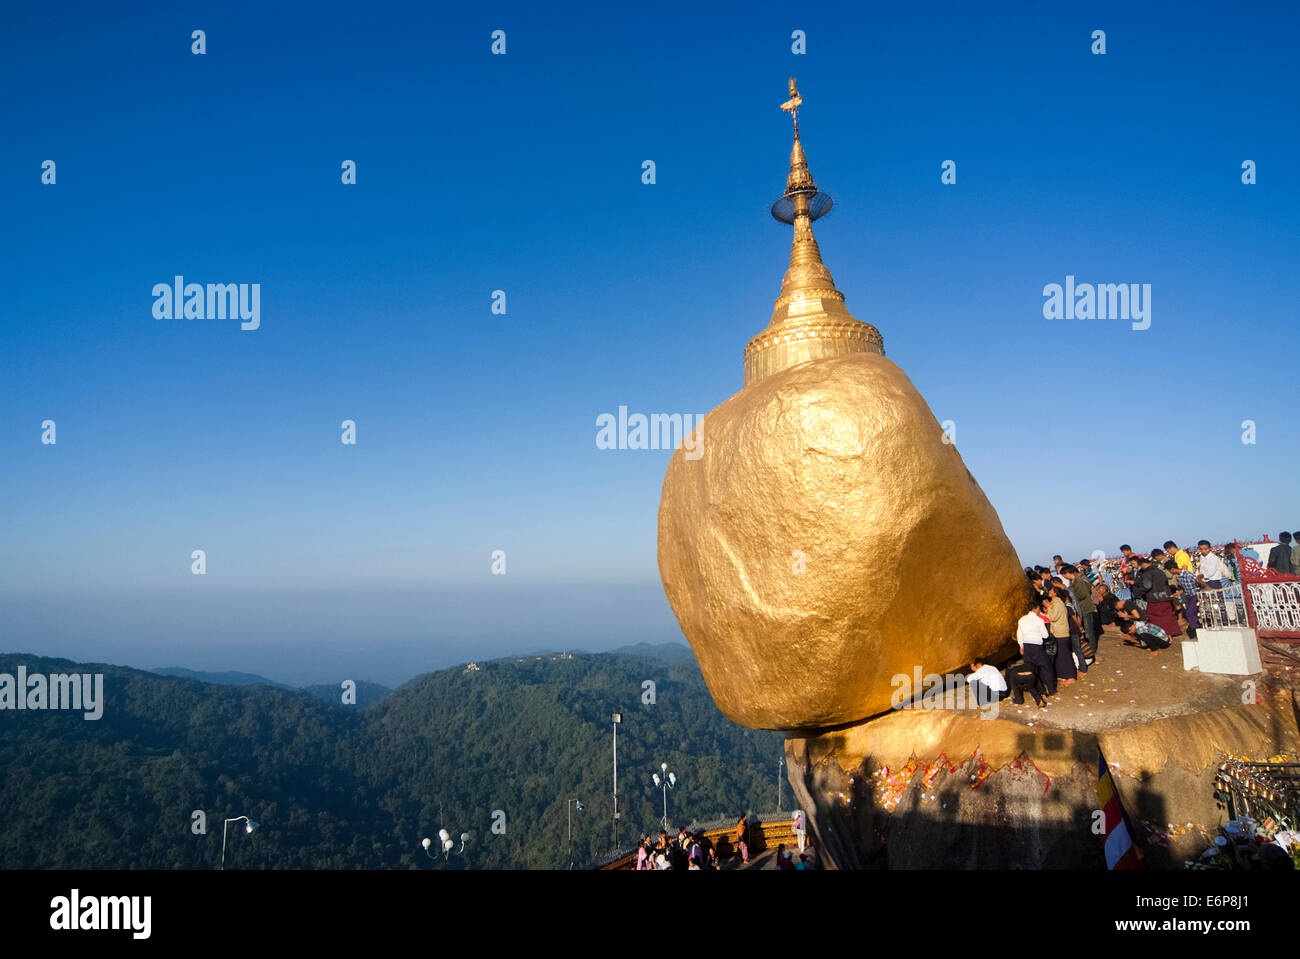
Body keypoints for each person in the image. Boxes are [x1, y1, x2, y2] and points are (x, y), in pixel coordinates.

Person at [1016, 595, 1055, 701]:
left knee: (1030, 669)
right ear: (1036, 609)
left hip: (1027, 646)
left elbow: (1019, 634)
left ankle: (1036, 690)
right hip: (1037, 646)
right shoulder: (1039, 620)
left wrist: (1021, 646)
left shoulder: (1022, 620)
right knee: (1046, 667)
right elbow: (1045, 635)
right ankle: (1051, 689)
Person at [1134, 553, 1181, 638]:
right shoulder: (1159, 571)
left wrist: (1138, 592)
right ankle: (1172, 632)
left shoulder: (1147, 573)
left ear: (1143, 565)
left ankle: (1160, 634)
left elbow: (1147, 586)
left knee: (1154, 617)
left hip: (1154, 598)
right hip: (1166, 596)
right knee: (1168, 616)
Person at [1062, 564, 1101, 657]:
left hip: (1085, 607)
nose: (1064, 577)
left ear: (1068, 573)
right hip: (1083, 607)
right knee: (1088, 628)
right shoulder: (1073, 581)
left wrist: (1073, 597)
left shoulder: (1078, 581)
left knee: (1088, 630)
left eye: (1064, 575)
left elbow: (1083, 594)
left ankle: (1092, 648)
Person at [1045, 582, 1077, 682]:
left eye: (1051, 590)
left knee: (1065, 655)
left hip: (1061, 633)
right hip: (1058, 632)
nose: (1049, 592)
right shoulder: (1056, 602)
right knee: (1059, 655)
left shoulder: (1057, 603)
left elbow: (1053, 617)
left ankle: (1071, 676)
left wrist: (1048, 607)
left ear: (1055, 593)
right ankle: (1063, 675)